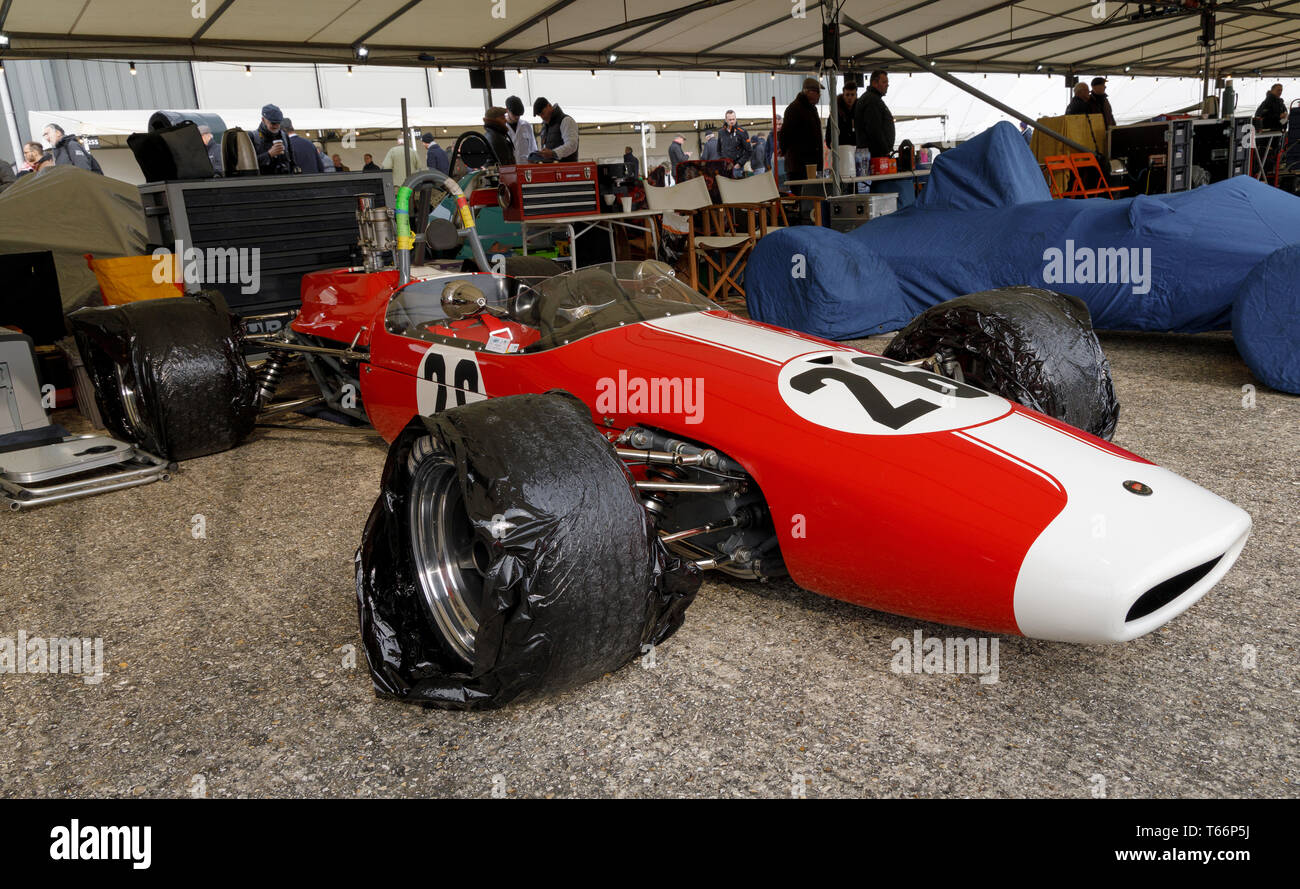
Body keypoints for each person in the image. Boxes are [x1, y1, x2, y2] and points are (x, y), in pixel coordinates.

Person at [779, 77, 823, 222]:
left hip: (808, 165)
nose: (819, 95)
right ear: (808, 92)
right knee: (806, 203)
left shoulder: (809, 109)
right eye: (817, 92)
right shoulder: (794, 109)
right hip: (800, 166)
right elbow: (785, 134)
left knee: (809, 201)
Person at [854, 70, 895, 161]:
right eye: (884, 82)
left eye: (887, 82)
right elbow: (874, 129)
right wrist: (885, 150)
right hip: (875, 155)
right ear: (875, 83)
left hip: (873, 153)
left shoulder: (871, 99)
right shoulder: (872, 101)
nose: (887, 85)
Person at [532, 97, 579, 162]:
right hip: (552, 169)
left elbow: (572, 145)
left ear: (549, 106)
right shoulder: (544, 127)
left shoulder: (566, 121)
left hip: (566, 169)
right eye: (539, 115)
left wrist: (553, 153)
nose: (542, 117)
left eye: (543, 113)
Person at [251, 104, 294, 174]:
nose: (277, 126)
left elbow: (292, 162)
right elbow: (249, 164)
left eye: (279, 123)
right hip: (264, 182)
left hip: (284, 181)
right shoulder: (253, 137)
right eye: (273, 123)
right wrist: (269, 154)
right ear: (263, 120)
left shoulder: (284, 136)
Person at [504, 96, 538, 162]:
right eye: (514, 115)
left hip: (525, 166)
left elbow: (533, 147)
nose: (517, 117)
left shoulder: (526, 126)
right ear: (507, 110)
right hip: (509, 166)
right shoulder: (502, 127)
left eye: (519, 115)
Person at [717, 110, 751, 177]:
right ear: (726, 120)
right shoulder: (721, 132)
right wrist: (721, 161)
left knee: (738, 186)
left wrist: (739, 164)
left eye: (733, 119)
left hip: (737, 168)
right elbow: (718, 149)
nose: (732, 121)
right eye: (730, 120)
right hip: (725, 167)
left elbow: (749, 151)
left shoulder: (742, 132)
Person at [826, 82, 858, 148]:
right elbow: (829, 136)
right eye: (847, 95)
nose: (850, 97)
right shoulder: (836, 113)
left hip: (856, 151)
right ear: (843, 95)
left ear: (856, 96)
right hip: (841, 151)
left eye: (852, 95)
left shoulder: (859, 112)